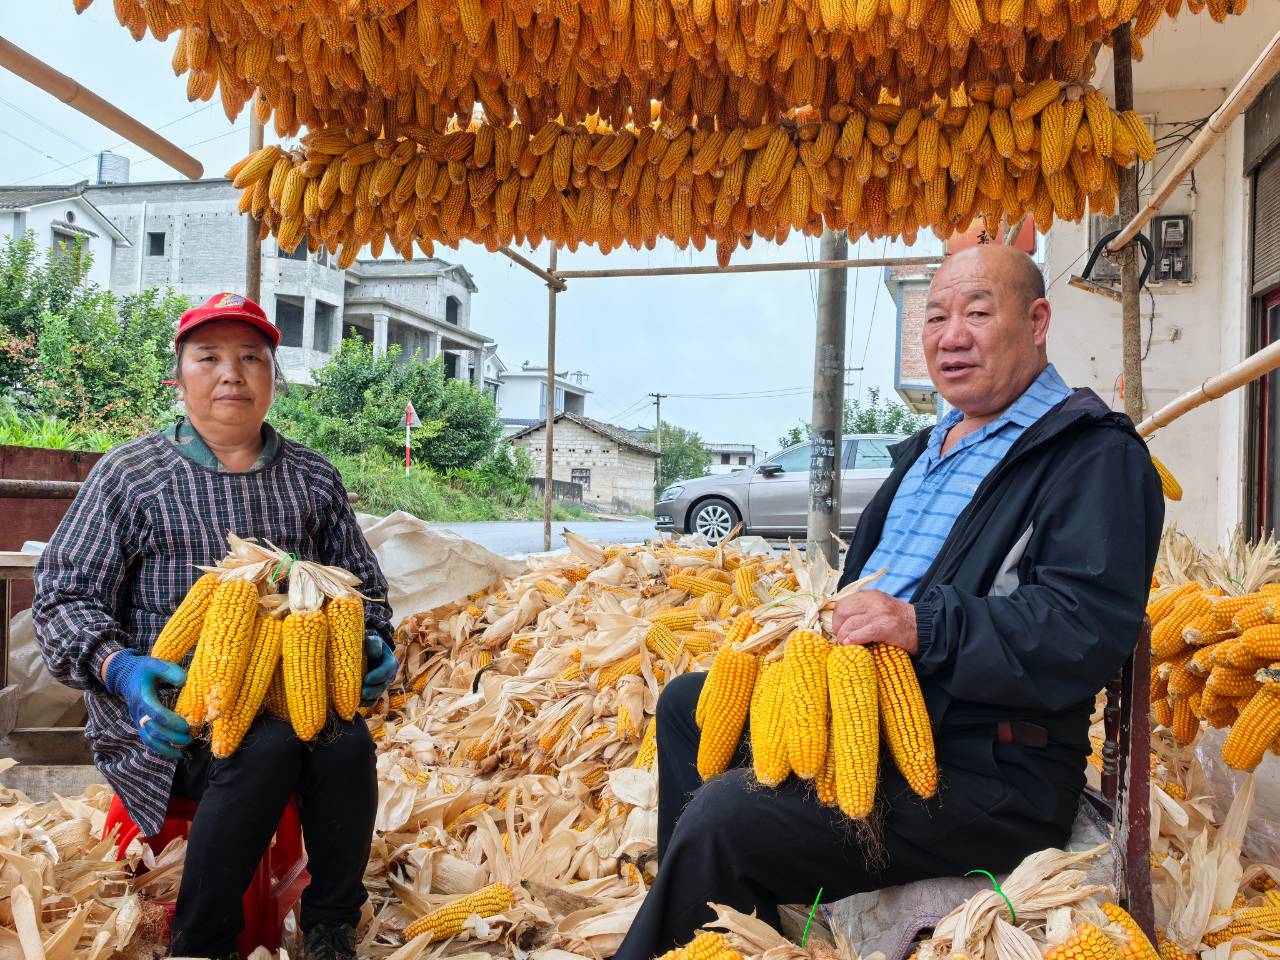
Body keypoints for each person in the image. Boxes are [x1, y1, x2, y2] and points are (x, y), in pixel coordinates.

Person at [613, 244, 1165, 959]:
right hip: (882, 723)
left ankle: (684, 915)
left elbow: (1080, 629)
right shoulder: (927, 451)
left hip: (982, 768)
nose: (950, 335)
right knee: (690, 705)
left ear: (1037, 321)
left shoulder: (1092, 458)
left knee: (727, 815)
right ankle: (728, 933)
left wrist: (921, 625)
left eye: (976, 311)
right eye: (935, 316)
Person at [33, 293, 400, 960]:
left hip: (293, 694)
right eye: (208, 358)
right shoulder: (129, 476)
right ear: (179, 380)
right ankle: (203, 941)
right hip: (166, 711)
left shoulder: (312, 479)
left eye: (250, 358)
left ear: (273, 379)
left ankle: (330, 923)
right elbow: (61, 599)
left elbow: (366, 591)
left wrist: (373, 641)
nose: (231, 373)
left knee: (345, 745)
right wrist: (123, 668)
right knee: (259, 749)